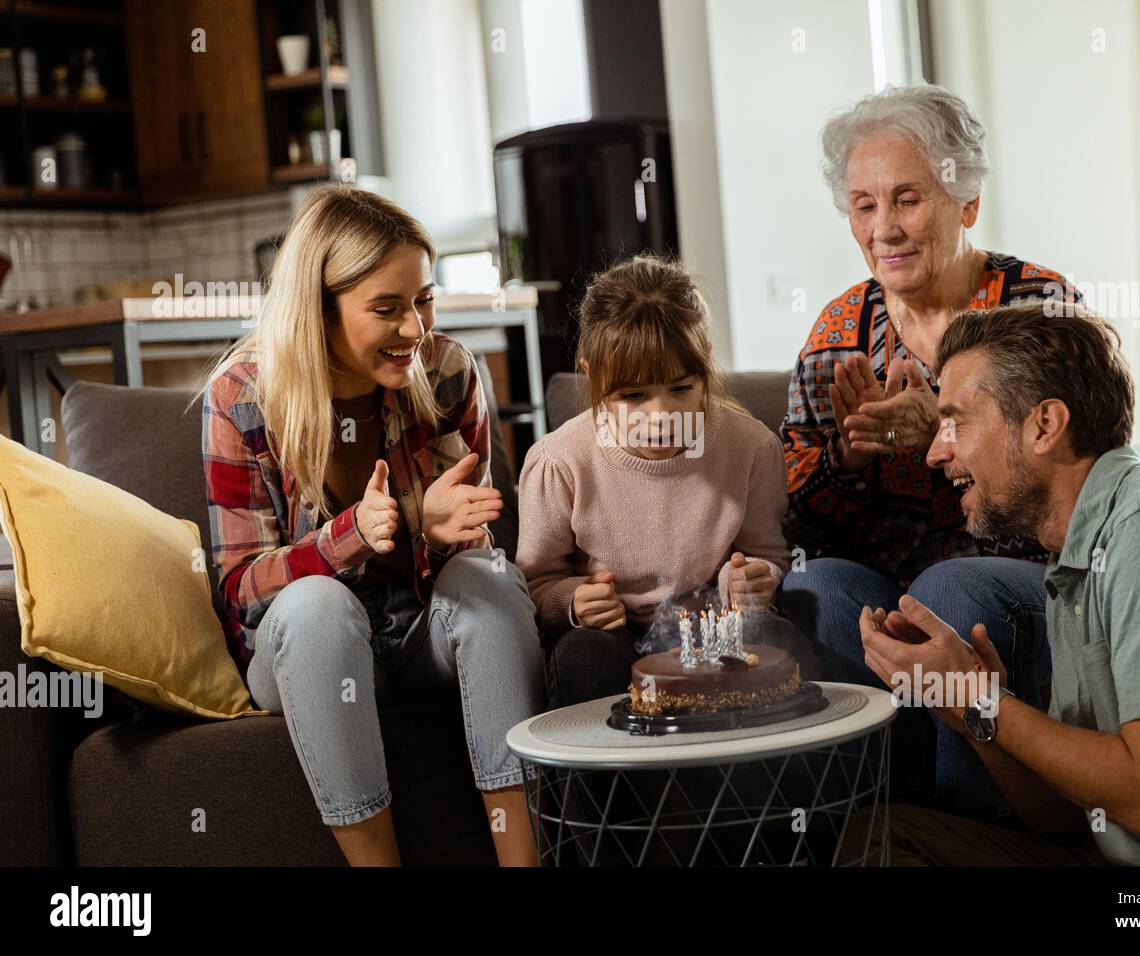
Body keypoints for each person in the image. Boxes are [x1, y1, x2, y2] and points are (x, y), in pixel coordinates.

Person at [859, 302, 1140, 866]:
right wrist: (969, 711)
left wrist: (983, 699)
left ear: (1044, 425)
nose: (935, 452)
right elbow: (1074, 822)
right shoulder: (1075, 562)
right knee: (880, 836)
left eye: (955, 421)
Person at [197, 184, 544, 866]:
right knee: (318, 606)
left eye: (424, 300)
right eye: (386, 309)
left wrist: (444, 538)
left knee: (490, 579)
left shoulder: (447, 374)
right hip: (306, 650)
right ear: (318, 312)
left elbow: (471, 540)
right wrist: (353, 535)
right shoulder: (242, 396)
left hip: (420, 635)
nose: (415, 329)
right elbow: (243, 587)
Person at [778, 82, 1084, 817]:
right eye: (864, 204)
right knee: (816, 588)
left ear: (966, 203)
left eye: (907, 198)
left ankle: (974, 836)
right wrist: (851, 462)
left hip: (1025, 584)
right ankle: (872, 831)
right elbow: (801, 527)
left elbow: (1081, 485)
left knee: (945, 598)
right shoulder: (837, 336)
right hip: (892, 587)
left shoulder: (1037, 310)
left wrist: (945, 434)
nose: (884, 227)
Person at [515, 255, 820, 707]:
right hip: (612, 636)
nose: (661, 416)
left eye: (681, 388)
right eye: (633, 396)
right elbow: (535, 583)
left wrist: (758, 579)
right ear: (591, 373)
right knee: (581, 657)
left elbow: (769, 554)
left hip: (714, 628)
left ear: (706, 364)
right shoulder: (558, 462)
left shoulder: (751, 447)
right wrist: (573, 602)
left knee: (777, 637)